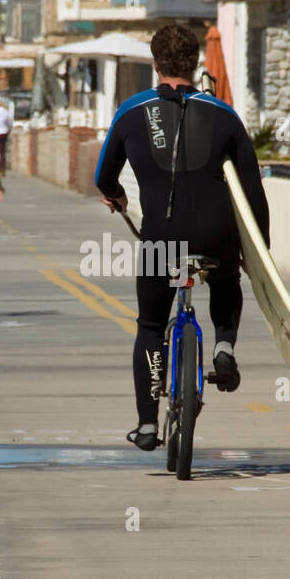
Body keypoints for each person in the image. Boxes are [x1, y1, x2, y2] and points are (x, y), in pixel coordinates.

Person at [94, 23, 269, 451]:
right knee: (227, 279)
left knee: (151, 325)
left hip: (161, 239)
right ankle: (224, 346)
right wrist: (259, 251)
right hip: (217, 235)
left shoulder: (131, 112)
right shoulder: (226, 115)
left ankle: (148, 423)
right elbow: (253, 193)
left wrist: (115, 196)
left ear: (155, 65)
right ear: (195, 65)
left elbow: (104, 177)